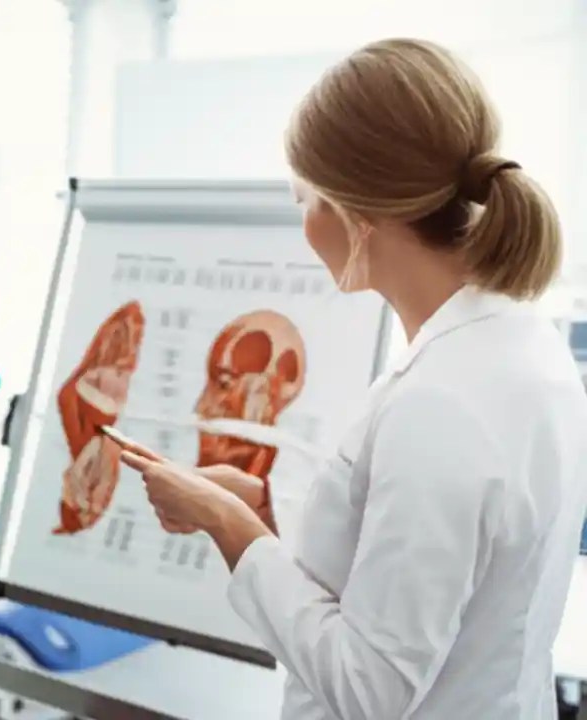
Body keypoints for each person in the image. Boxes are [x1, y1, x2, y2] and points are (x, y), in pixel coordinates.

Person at [120, 38, 587, 719]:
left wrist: (228, 525)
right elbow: (442, 552)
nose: (303, 221)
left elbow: (372, 689)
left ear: (357, 213)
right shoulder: (522, 346)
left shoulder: (442, 402)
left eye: (304, 196)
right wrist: (264, 500)